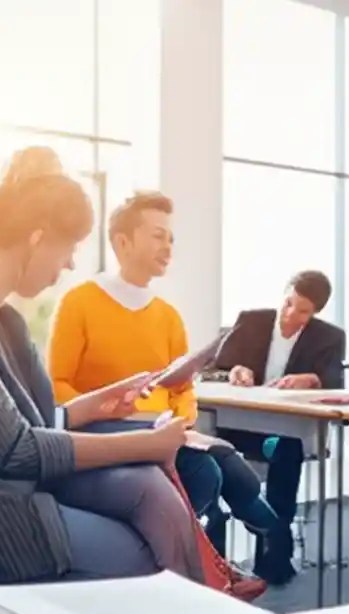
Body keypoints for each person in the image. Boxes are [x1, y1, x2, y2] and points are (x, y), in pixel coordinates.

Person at [0, 147, 203, 585]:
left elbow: (34, 422)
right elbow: (17, 449)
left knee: (149, 490)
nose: (70, 262)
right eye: (69, 247)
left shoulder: (4, 321)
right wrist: (143, 444)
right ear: (37, 237)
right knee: (144, 554)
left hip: (11, 488)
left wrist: (94, 405)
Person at [48, 192, 283, 583]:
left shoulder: (167, 315)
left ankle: (205, 563)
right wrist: (103, 409)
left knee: (219, 465)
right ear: (123, 242)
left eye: (171, 238)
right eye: (158, 236)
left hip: (161, 427)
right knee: (210, 471)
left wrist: (181, 415)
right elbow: (55, 384)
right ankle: (209, 565)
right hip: (105, 431)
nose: (168, 246)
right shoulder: (79, 303)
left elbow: (183, 388)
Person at [207, 269, 346, 584]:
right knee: (207, 448)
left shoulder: (329, 337)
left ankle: (273, 553)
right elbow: (214, 367)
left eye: (302, 311)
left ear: (315, 314)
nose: (290, 314)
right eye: (289, 303)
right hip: (237, 426)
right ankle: (220, 548)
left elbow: (336, 381)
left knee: (287, 449)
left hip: (281, 432)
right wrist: (236, 371)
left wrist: (312, 379)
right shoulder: (252, 321)